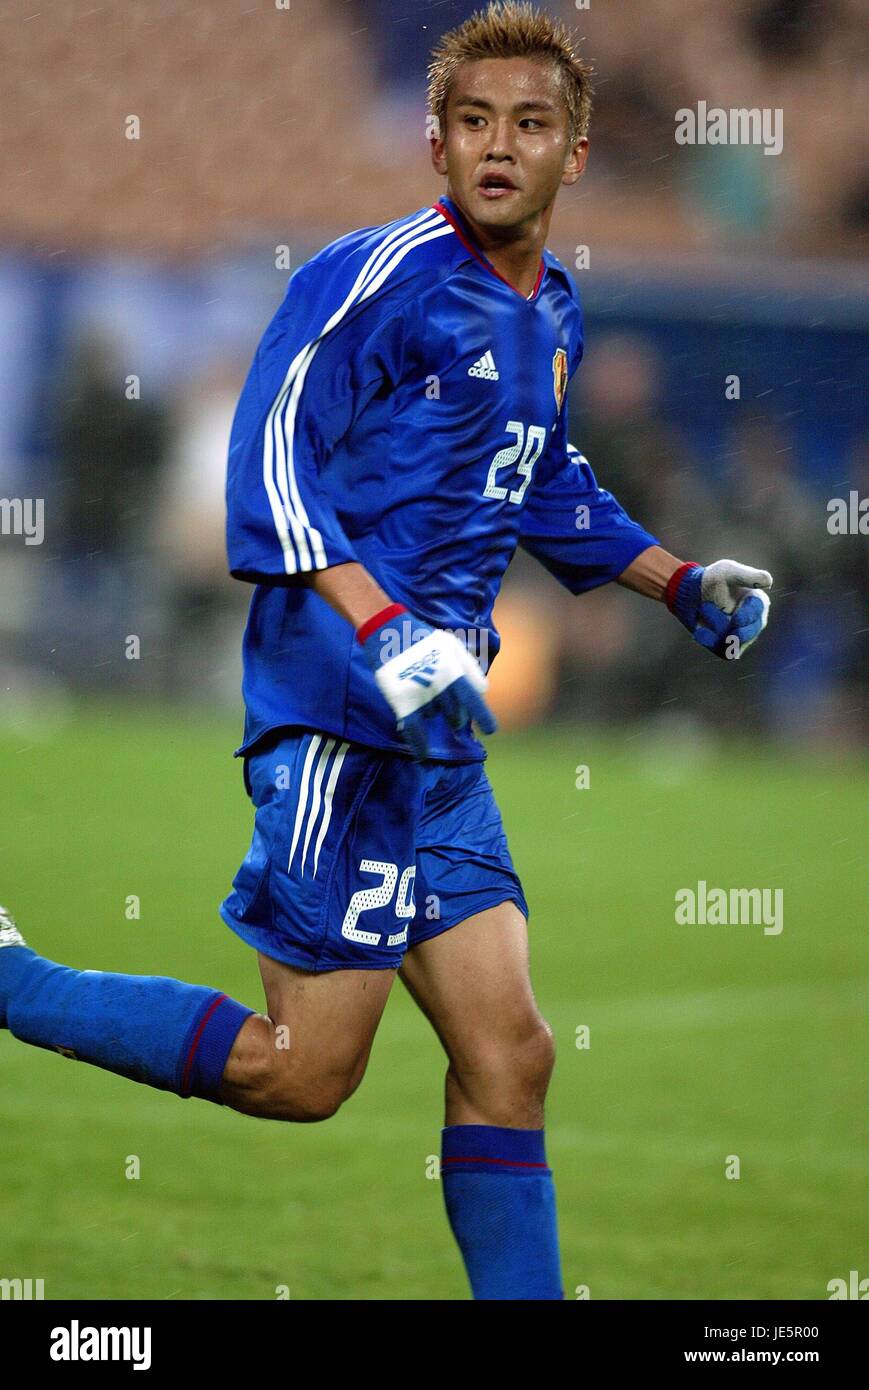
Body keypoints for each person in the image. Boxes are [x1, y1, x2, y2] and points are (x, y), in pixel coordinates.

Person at [0, 2, 773, 1300]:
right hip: (340, 719)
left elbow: (536, 480)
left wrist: (675, 580)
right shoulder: (374, 278)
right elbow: (268, 454)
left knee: (511, 1053)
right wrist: (382, 624)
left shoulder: (551, 310)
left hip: (438, 736)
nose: (495, 146)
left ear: (572, 154)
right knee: (301, 1071)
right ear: (433, 144)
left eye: (528, 124)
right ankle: (12, 980)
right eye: (471, 122)